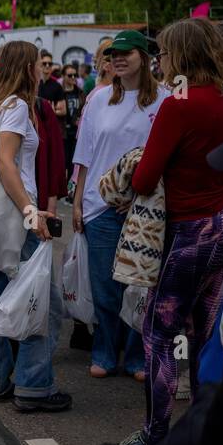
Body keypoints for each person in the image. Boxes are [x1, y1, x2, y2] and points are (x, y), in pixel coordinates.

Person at [99, 19, 223, 445]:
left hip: (187, 231)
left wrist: (133, 165)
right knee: (207, 337)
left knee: (158, 335)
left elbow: (144, 177)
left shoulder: (178, 104)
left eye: (167, 54)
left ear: (182, 56)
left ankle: (155, 441)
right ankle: (204, 434)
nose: (162, 61)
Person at [0, 40, 70, 412]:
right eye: (37, 63)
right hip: (18, 219)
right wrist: (29, 211)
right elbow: (7, 163)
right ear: (27, 68)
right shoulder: (19, 106)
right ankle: (34, 385)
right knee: (41, 301)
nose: (41, 70)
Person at [72, 30, 166, 380]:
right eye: (113, 55)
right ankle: (105, 352)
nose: (119, 59)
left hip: (143, 211)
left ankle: (139, 357)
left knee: (140, 286)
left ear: (144, 57)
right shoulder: (97, 99)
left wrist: (141, 198)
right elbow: (84, 154)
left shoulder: (165, 100)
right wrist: (78, 202)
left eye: (127, 53)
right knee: (105, 289)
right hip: (99, 207)